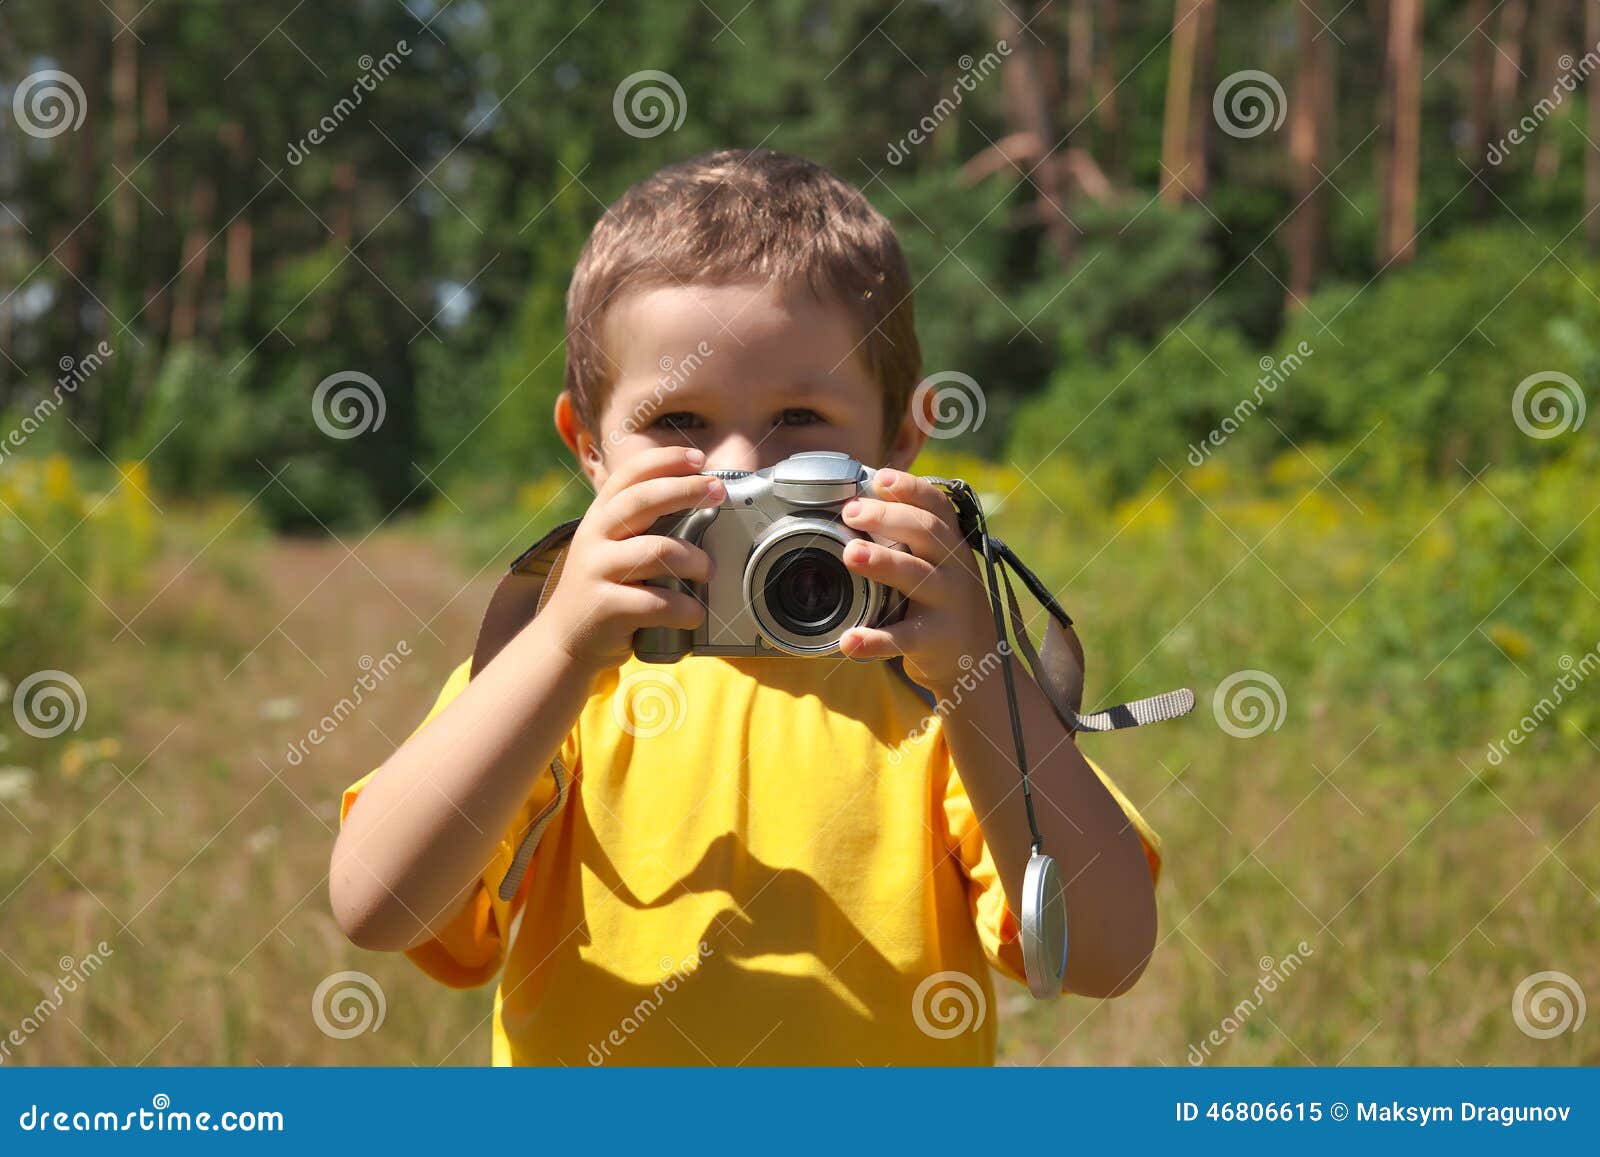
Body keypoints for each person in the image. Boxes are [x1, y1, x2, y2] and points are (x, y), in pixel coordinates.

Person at [329, 148, 1163, 1065]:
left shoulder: (932, 692)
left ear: (900, 439)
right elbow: (376, 905)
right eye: (678, 422)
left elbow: (1106, 955)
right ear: (589, 447)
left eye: (798, 420)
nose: (741, 470)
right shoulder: (566, 680)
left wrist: (979, 676)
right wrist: (561, 646)